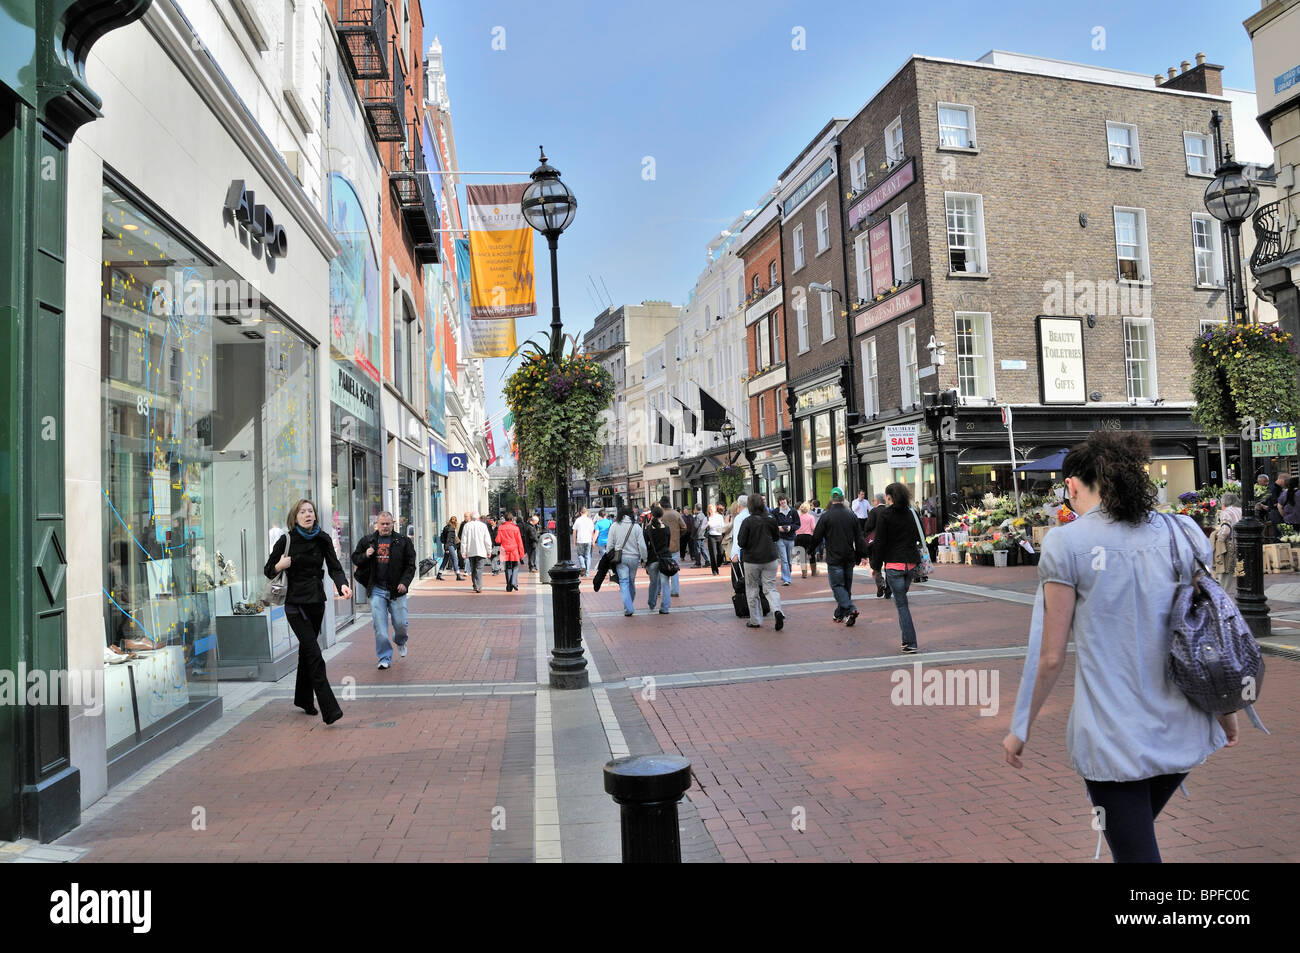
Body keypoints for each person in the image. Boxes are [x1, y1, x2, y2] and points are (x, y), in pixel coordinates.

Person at [1002, 431, 1240, 864]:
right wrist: (1226, 710)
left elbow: (1051, 655)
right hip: (1181, 727)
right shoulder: (1183, 531)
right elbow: (1207, 631)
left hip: (1113, 737)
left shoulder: (1066, 544)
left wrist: (1022, 726)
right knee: (1132, 843)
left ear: (1072, 485)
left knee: (1134, 854)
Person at [265, 499, 350, 723]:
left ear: (315, 515)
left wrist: (342, 584)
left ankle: (303, 699)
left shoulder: (322, 538)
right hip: (294, 604)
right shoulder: (287, 540)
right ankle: (330, 709)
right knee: (315, 654)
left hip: (316, 603)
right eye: (302, 512)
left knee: (307, 651)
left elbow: (334, 566)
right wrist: (280, 566)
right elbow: (268, 570)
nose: (307, 514)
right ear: (295, 517)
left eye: (310, 511)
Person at [351, 511, 416, 670]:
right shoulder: (368, 541)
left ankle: (400, 641)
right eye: (382, 524)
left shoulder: (403, 541)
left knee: (401, 624)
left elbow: (410, 565)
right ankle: (384, 657)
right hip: (377, 590)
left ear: (393, 523)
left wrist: (404, 583)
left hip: (397, 590)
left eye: (388, 523)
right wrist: (366, 555)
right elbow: (355, 558)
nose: (385, 526)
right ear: (377, 524)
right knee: (379, 627)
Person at [870, 483, 925, 652]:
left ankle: (910, 642)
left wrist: (876, 566)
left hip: (894, 565)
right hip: (911, 565)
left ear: (889, 497)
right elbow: (921, 535)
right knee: (902, 602)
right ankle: (906, 640)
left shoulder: (885, 515)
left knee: (902, 604)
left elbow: (879, 543)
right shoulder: (912, 513)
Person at [813, 488, 867, 626]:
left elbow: (817, 536)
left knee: (837, 586)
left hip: (834, 557)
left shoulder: (826, 516)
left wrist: (810, 549)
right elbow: (859, 537)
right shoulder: (851, 515)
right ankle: (840, 614)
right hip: (849, 556)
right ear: (843, 499)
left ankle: (850, 609)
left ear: (831, 499)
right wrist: (863, 555)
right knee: (846, 588)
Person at [737, 493, 784, 630]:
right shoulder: (771, 519)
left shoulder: (748, 521)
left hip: (752, 560)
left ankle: (755, 620)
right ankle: (777, 610)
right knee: (770, 587)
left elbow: (741, 542)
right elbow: (776, 537)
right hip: (770, 558)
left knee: (752, 589)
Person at [607, 505, 647, 616]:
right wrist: (645, 558)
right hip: (634, 558)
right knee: (631, 582)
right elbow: (642, 546)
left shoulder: (614, 526)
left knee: (624, 582)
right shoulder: (636, 527)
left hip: (620, 558)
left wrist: (609, 556)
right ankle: (629, 604)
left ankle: (628, 607)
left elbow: (609, 545)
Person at [644, 505, 672, 614]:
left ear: (652, 515)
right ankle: (665, 607)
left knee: (653, 583)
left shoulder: (648, 529)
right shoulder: (667, 528)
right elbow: (667, 544)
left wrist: (644, 560)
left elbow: (646, 545)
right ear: (662, 515)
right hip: (665, 558)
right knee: (665, 584)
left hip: (652, 559)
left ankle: (651, 604)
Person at [658, 497, 688, 601]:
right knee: (674, 568)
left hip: (662, 546)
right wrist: (677, 535)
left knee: (661, 569)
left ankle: (660, 591)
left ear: (661, 505)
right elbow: (684, 527)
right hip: (675, 545)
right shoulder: (676, 514)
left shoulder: (660, 515)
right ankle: (675, 591)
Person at [1214, 491, 1242, 597]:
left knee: (1226, 570)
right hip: (1243, 544)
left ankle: (1222, 595)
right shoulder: (1241, 510)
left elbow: (1225, 530)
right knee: (1240, 568)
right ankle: (1241, 590)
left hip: (1231, 543)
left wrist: (1219, 539)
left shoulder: (1226, 512)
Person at [864, 493, 891, 599]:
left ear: (877, 501)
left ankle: (881, 584)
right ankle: (889, 588)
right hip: (889, 543)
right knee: (889, 566)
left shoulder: (873, 511)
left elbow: (868, 526)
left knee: (876, 565)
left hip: (876, 543)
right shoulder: (889, 510)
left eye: (873, 500)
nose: (873, 502)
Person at [460, 512, 492, 593]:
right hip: (481, 550)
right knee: (479, 569)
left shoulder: (467, 526)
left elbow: (464, 540)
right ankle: (478, 585)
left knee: (473, 568)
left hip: (470, 551)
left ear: (471, 517)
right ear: (478, 518)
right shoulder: (483, 526)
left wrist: (463, 551)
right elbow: (487, 540)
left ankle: (475, 584)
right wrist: (489, 550)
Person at [496, 512, 526, 592]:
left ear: (505, 519)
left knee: (507, 567)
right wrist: (522, 553)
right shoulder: (515, 528)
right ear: (512, 519)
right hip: (514, 549)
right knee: (515, 566)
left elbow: (498, 540)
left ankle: (509, 586)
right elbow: (519, 541)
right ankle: (514, 582)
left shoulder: (501, 527)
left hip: (504, 549)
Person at [774, 495, 799, 586]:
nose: (782, 501)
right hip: (780, 538)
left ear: (787, 500)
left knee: (789, 559)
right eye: (780, 500)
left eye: (783, 499)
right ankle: (786, 579)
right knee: (784, 559)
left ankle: (787, 574)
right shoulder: (775, 511)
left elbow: (797, 524)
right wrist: (778, 528)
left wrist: (790, 527)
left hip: (791, 538)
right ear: (779, 502)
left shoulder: (793, 511)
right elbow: (772, 524)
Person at [437, 515, 464, 581]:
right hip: (449, 545)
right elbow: (449, 539)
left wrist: (446, 547)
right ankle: (458, 575)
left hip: (447, 545)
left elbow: (443, 538)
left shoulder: (446, 527)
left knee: (445, 560)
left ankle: (439, 574)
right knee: (455, 559)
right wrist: (447, 548)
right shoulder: (451, 529)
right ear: (455, 522)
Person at [794, 502, 817, 578]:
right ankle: (813, 572)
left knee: (802, 555)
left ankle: (804, 573)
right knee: (811, 554)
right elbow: (813, 528)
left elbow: (795, 527)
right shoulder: (811, 517)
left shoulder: (798, 517)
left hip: (799, 537)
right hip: (808, 536)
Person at [727, 495, 750, 564]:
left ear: (739, 504)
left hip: (743, 551)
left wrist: (735, 553)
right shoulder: (753, 515)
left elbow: (737, 536)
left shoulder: (739, 518)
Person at [572, 506, 594, 576]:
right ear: (587, 512)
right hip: (588, 540)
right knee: (588, 556)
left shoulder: (578, 520)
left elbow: (574, 531)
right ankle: (587, 573)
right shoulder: (590, 520)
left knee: (580, 555)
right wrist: (593, 540)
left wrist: (574, 540)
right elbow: (592, 531)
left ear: (580, 513)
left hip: (580, 540)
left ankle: (583, 566)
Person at [706, 504, 726, 575]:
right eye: (710, 509)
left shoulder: (719, 516)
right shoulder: (708, 518)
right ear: (708, 510)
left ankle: (718, 564)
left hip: (719, 536)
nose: (711, 511)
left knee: (721, 552)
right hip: (711, 536)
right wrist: (707, 525)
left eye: (712, 509)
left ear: (715, 509)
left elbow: (723, 525)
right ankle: (714, 570)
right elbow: (704, 527)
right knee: (713, 554)